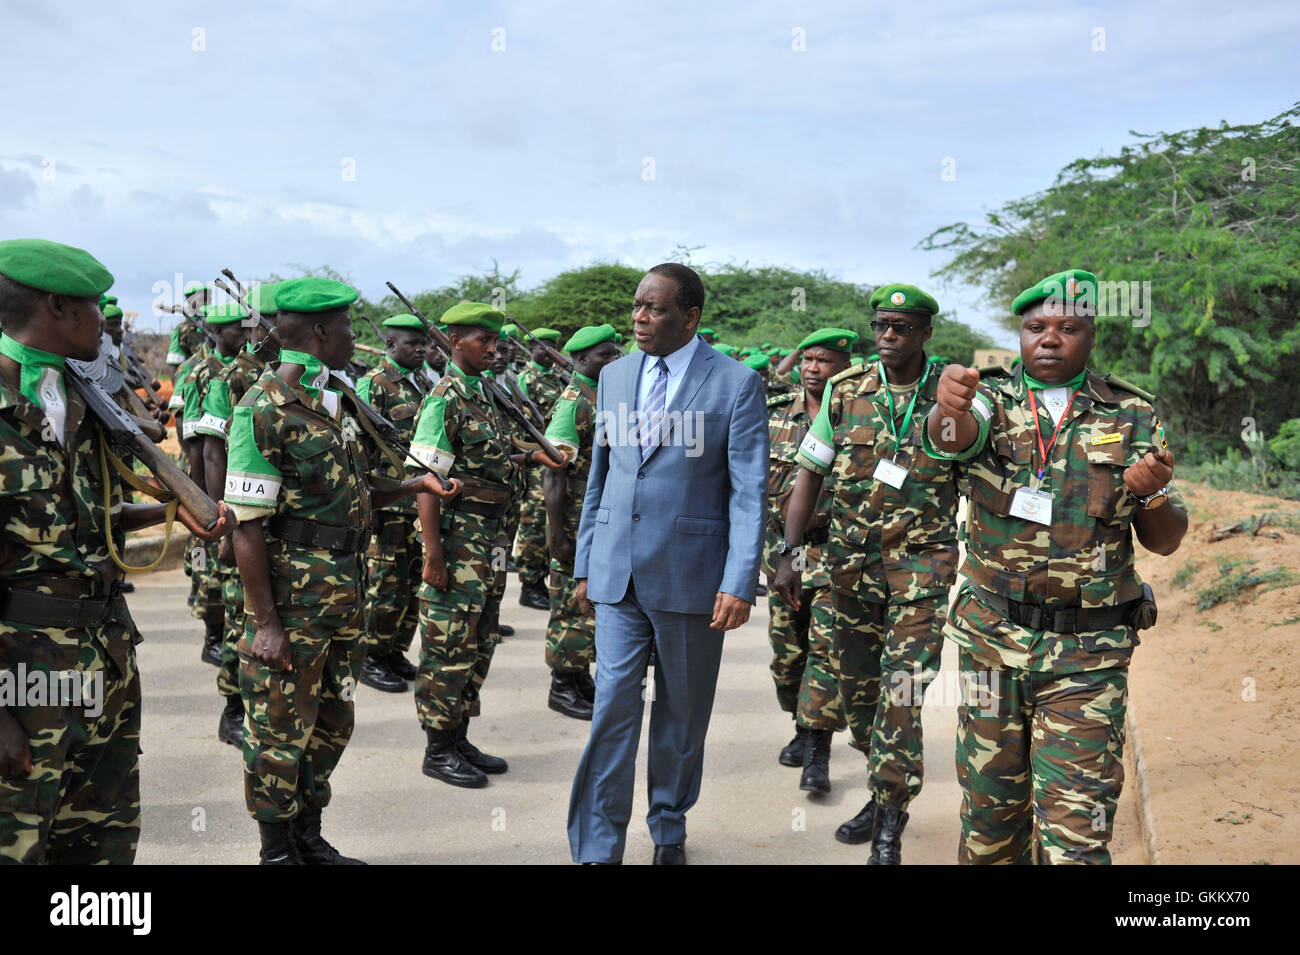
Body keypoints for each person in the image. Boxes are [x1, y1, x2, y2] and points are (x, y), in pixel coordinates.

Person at [924, 269, 1188, 864]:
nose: (1048, 339)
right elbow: (951, 439)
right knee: (991, 825)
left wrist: (1150, 496)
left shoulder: (1133, 414)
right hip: (993, 646)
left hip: (1087, 657)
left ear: (1091, 336)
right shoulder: (987, 397)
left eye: (1068, 328)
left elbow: (1165, 540)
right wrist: (948, 407)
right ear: (1019, 334)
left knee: (1078, 838)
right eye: (1035, 327)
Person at [0, 238, 232, 864]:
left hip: (104, 656)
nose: (107, 324)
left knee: (101, 842)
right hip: (20, 676)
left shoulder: (73, 397)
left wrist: (167, 510)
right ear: (55, 306)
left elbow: (83, 520)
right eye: (91, 309)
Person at [224, 276, 457, 864]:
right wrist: (265, 622)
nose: (356, 336)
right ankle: (276, 851)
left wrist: (412, 484)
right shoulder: (263, 407)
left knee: (332, 717)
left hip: (345, 590)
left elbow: (353, 495)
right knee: (280, 727)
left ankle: (309, 834)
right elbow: (246, 524)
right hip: (291, 600)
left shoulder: (335, 400)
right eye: (349, 326)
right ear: (323, 332)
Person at [567, 263, 767, 865]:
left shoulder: (734, 383)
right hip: (617, 575)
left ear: (691, 317)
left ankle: (668, 827)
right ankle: (599, 847)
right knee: (612, 709)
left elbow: (748, 491)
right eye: (637, 306)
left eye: (654, 309)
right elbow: (601, 477)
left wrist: (738, 581)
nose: (639, 318)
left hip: (692, 578)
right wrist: (585, 561)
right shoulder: (615, 376)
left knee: (682, 716)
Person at [776, 284, 960, 864]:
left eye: (901, 327)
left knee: (901, 693)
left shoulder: (954, 396)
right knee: (858, 698)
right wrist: (789, 551)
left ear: (925, 332)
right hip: (849, 569)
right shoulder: (845, 390)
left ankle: (890, 824)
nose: (887, 336)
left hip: (920, 574)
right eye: (881, 325)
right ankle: (882, 790)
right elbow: (809, 473)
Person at [407, 303, 565, 789]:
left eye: (496, 342)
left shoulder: (485, 393)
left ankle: (459, 736)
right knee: (448, 643)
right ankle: (438, 748)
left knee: (479, 641)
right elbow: (427, 480)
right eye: (484, 341)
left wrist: (528, 453)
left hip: (491, 539)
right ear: (455, 341)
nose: (494, 350)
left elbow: (488, 455)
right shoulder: (445, 398)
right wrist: (433, 555)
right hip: (458, 541)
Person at [763, 328, 854, 795]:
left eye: (825, 361)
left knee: (827, 650)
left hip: (838, 554)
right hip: (784, 552)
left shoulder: (860, 418)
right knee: (788, 655)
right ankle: (800, 723)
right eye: (809, 360)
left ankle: (817, 751)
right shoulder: (775, 416)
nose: (814, 368)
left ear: (847, 367)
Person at [195, 282, 280, 747]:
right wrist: (222, 521)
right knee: (239, 614)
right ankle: (232, 708)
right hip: (241, 515)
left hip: (280, 520)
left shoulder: (294, 374)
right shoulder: (232, 376)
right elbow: (212, 454)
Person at [541, 324, 622, 721]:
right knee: (571, 603)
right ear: (579, 360)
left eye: (615, 352)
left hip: (596, 520)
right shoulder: (574, 402)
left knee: (590, 602)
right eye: (604, 355)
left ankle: (578, 674)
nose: (613, 360)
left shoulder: (602, 395)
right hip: (573, 521)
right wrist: (557, 536)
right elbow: (554, 472)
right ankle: (562, 683)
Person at [355, 313, 430, 693]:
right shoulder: (373, 385)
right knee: (384, 584)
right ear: (390, 346)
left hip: (418, 501)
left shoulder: (425, 383)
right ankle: (371, 656)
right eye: (411, 344)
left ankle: (394, 651)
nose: (420, 350)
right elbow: (361, 447)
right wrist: (372, 505)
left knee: (410, 582)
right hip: (388, 503)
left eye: (423, 344)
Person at [184, 302, 251, 668]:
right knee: (208, 570)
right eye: (236, 329)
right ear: (217, 332)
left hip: (229, 479)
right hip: (205, 481)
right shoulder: (203, 372)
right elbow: (196, 443)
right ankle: (212, 634)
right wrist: (200, 500)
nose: (245, 335)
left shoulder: (249, 369)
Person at [515, 327, 565, 611]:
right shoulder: (525, 380)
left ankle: (544, 579)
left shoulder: (560, 379)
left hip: (559, 459)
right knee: (534, 522)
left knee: (552, 521)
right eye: (541, 346)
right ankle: (530, 584)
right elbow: (519, 426)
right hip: (536, 461)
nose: (547, 351)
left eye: (552, 346)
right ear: (531, 350)